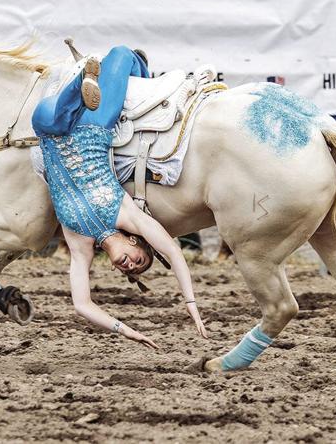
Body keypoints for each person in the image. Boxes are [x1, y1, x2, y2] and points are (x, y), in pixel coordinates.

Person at [32, 45, 207, 348]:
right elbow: (174, 252)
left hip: (50, 125)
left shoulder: (79, 244)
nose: (131, 266)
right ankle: (131, 72)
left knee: (50, 121)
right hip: (94, 126)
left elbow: (82, 305)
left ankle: (82, 85)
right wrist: (190, 301)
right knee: (122, 54)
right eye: (139, 261)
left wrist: (126, 330)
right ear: (134, 240)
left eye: (130, 270)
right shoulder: (127, 214)